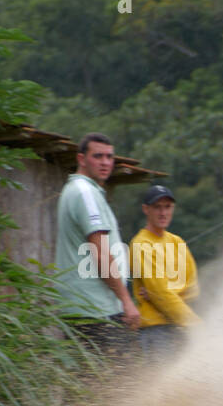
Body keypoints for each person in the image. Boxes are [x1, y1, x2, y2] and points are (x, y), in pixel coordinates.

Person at [54, 133, 139, 356]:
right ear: (81, 159)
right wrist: (126, 300)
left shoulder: (78, 190)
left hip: (83, 308)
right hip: (96, 310)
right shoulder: (85, 192)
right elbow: (100, 254)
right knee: (119, 383)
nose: (105, 162)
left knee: (88, 383)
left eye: (109, 157)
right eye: (98, 156)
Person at [129, 183, 199, 360]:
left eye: (167, 207)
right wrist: (195, 323)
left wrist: (166, 291)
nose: (163, 213)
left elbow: (193, 288)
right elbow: (159, 292)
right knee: (160, 383)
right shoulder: (141, 244)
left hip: (180, 326)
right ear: (146, 209)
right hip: (156, 330)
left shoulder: (177, 242)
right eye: (157, 207)